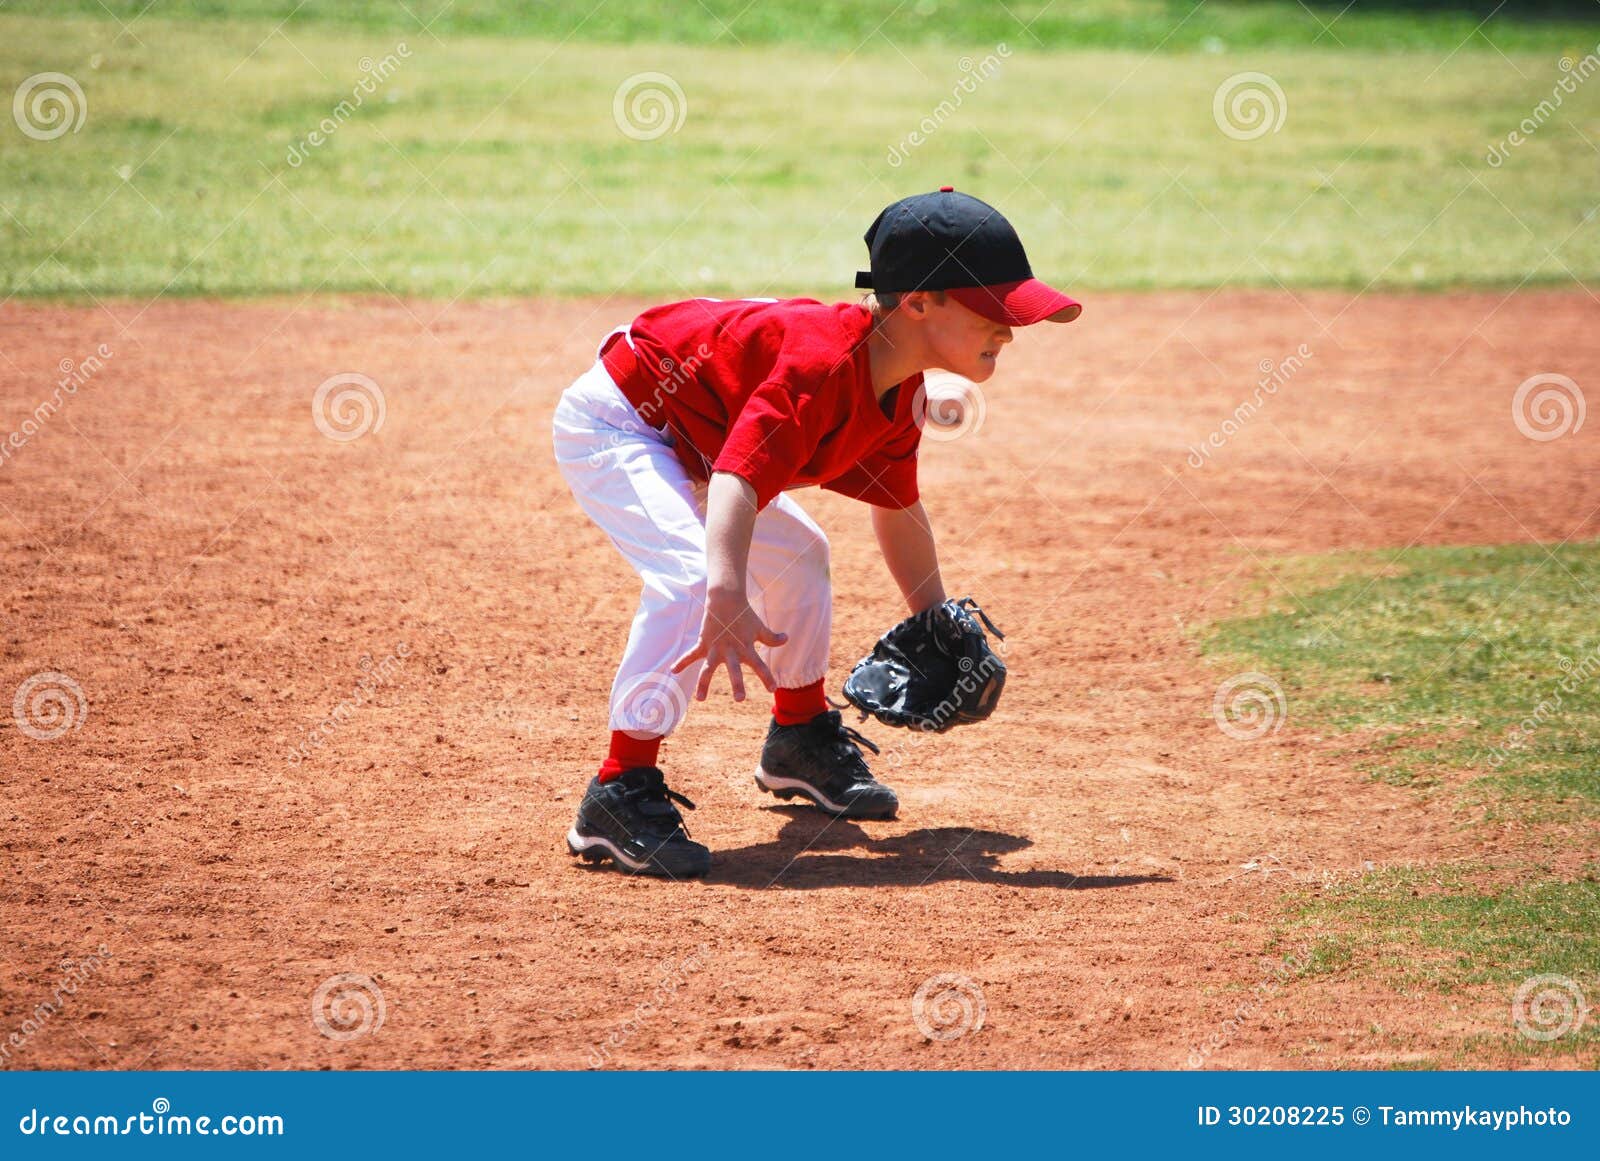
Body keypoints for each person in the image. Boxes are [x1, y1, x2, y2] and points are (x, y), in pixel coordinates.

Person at [551, 187, 1082, 877]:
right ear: (919, 301)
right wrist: (727, 589)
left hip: (703, 441)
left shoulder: (900, 395)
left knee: (802, 554)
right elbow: (740, 479)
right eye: (992, 307)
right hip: (624, 420)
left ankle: (797, 737)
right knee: (691, 579)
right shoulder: (822, 363)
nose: (1008, 328)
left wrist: (934, 616)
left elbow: (897, 506)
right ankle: (617, 789)